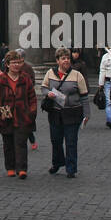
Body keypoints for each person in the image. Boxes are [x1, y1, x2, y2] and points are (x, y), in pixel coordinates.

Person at [0, 49, 37, 178]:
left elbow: (32, 97)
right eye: (14, 62)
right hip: (6, 116)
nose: (17, 65)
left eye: (19, 62)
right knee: (8, 144)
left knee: (21, 143)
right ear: (8, 64)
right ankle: (10, 167)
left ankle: (22, 169)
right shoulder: (1, 80)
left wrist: (31, 113)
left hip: (22, 115)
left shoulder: (25, 79)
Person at [43, 47, 90, 177]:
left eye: (68, 58)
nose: (66, 61)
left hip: (72, 112)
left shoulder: (77, 75)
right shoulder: (50, 73)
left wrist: (87, 114)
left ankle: (71, 168)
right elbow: (44, 87)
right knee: (56, 141)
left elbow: (84, 96)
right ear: (57, 60)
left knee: (71, 142)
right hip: (55, 112)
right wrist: (49, 93)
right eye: (63, 58)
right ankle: (57, 163)